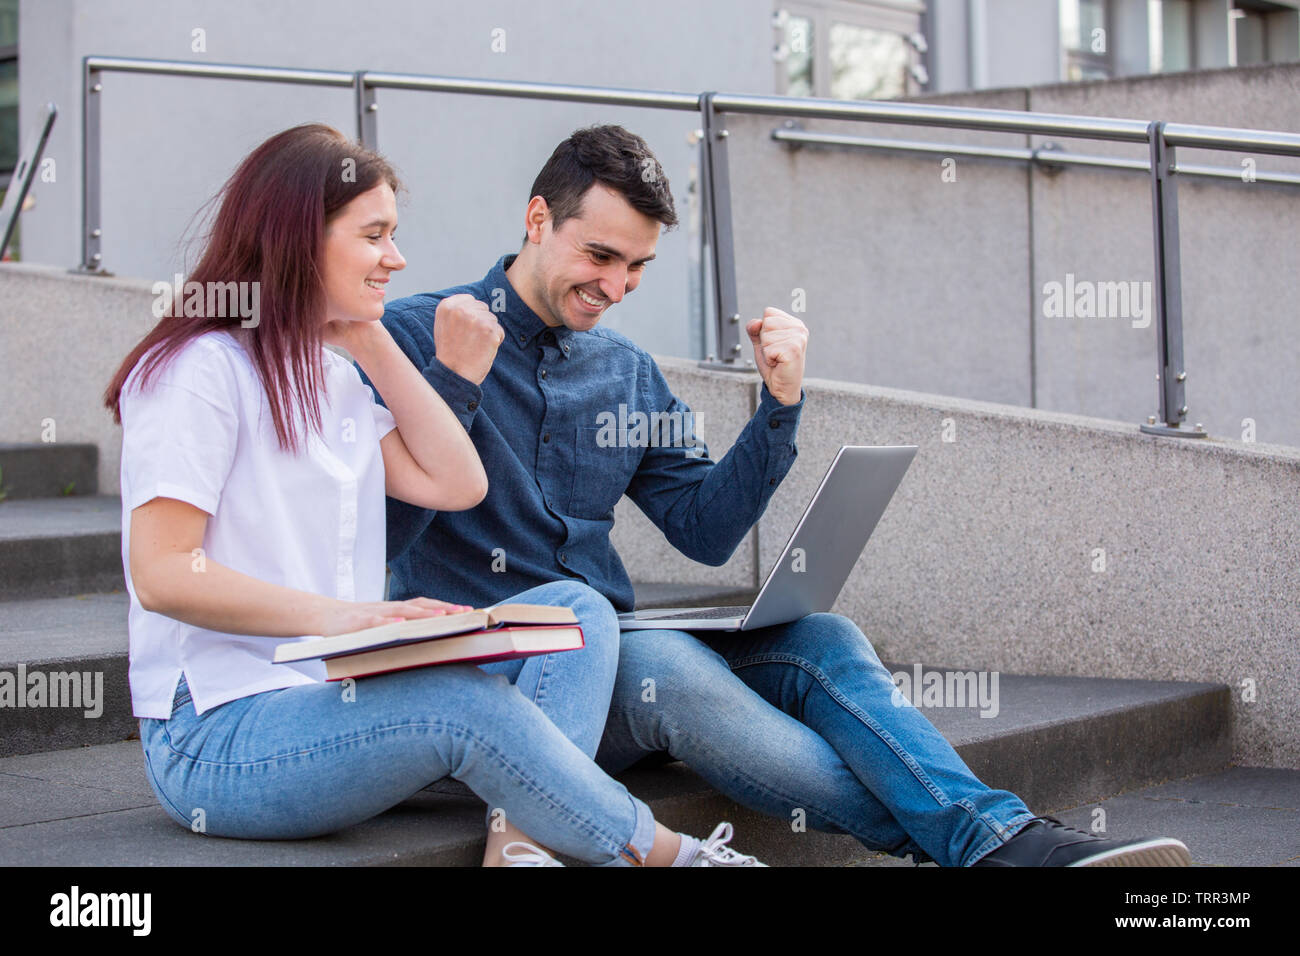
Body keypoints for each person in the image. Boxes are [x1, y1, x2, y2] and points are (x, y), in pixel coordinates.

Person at [365, 124, 1193, 867]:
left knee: (821, 635)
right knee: (666, 665)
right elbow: (375, 534)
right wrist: (454, 383)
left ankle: (995, 842)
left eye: (638, 266)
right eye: (600, 257)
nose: (616, 286)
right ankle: (996, 843)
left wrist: (779, 408)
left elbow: (703, 530)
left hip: (619, 649)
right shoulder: (414, 334)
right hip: (515, 681)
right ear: (538, 219)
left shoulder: (626, 372)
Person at [102, 123, 762, 867]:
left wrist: (369, 337)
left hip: (326, 695)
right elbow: (162, 573)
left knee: (576, 613)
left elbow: (456, 481)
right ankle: (675, 856)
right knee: (461, 701)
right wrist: (353, 616)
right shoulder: (198, 371)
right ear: (298, 238)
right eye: (375, 235)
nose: (398, 257)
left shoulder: (331, 374)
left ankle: (518, 852)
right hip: (215, 734)